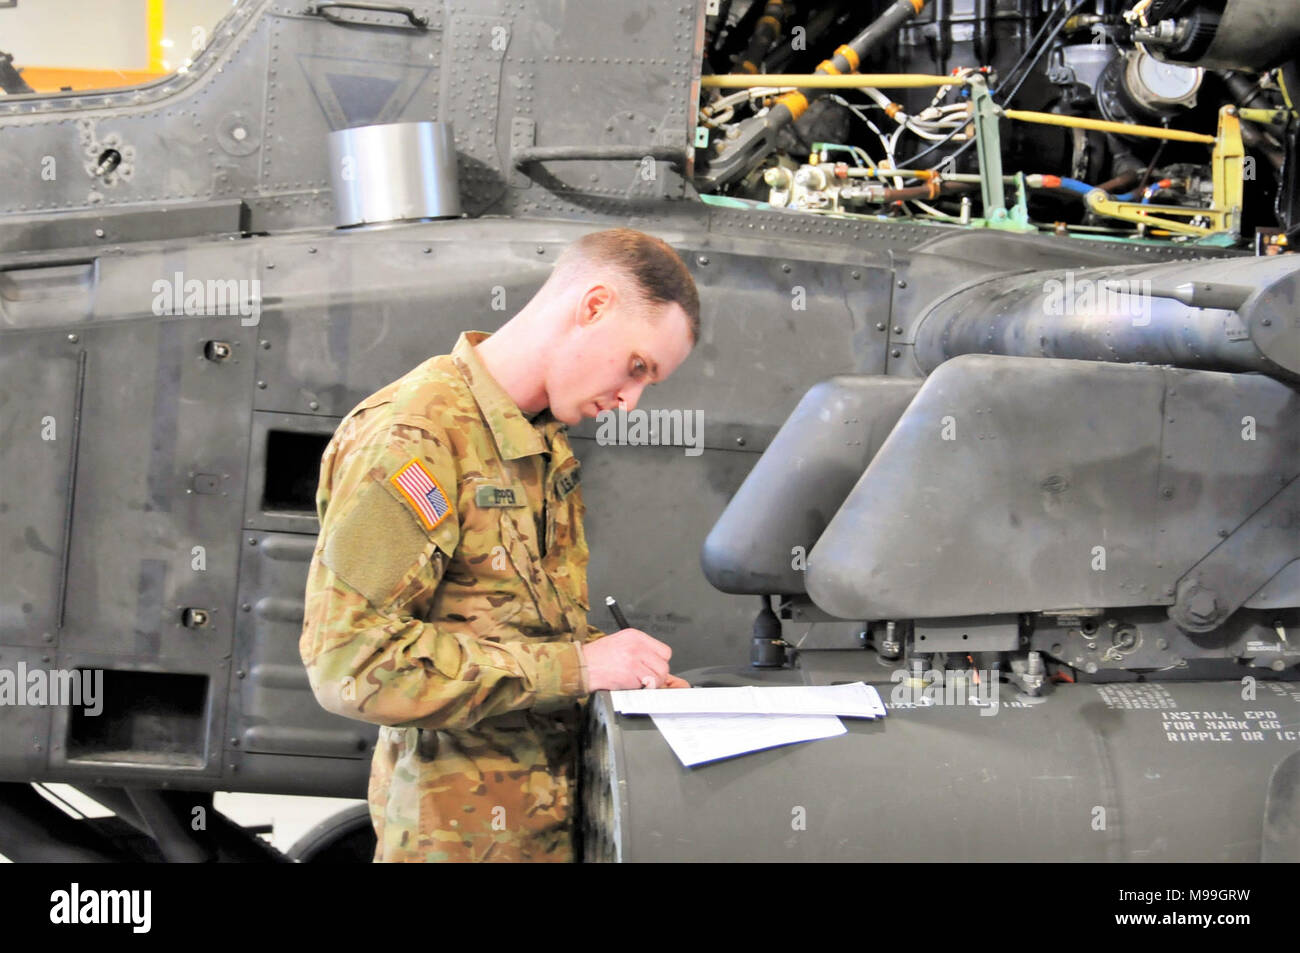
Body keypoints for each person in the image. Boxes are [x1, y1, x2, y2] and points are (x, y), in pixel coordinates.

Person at [299, 227, 700, 862]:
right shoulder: (414, 438)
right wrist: (580, 668)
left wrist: (619, 669)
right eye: (637, 367)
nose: (630, 401)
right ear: (593, 306)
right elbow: (351, 663)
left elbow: (513, 628)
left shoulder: (536, 443)